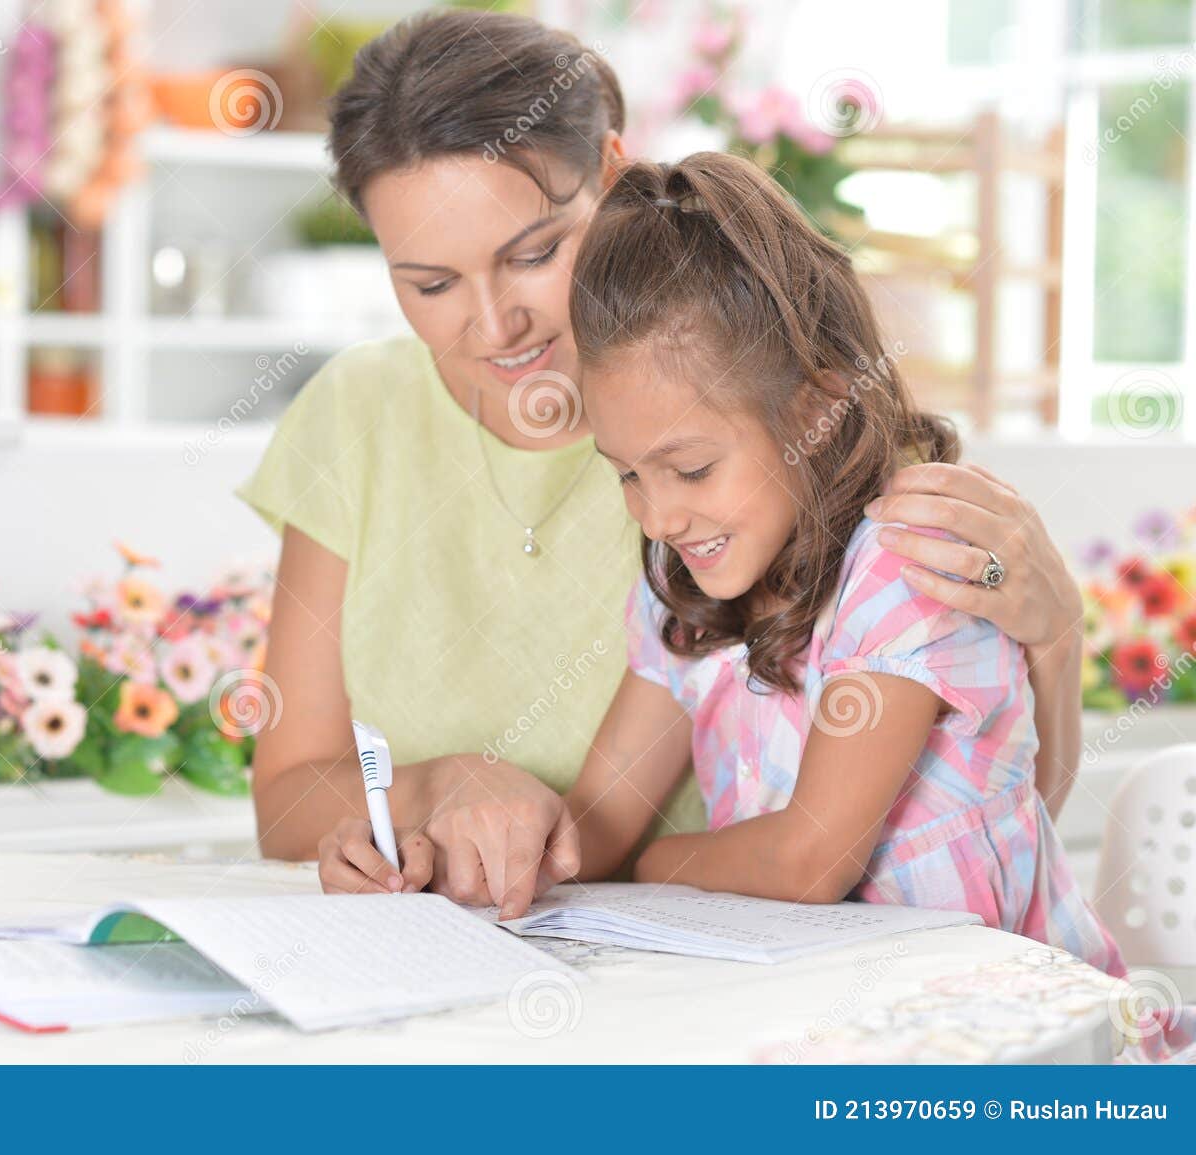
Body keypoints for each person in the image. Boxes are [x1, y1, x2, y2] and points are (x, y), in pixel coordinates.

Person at [237, 9, 1088, 920]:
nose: (493, 325)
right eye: (431, 283)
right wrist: (428, 818)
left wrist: (1059, 632)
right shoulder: (375, 420)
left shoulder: (792, 438)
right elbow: (302, 796)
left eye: (534, 254)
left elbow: (994, 808)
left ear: (613, 172)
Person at [560, 151, 1121, 974]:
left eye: (691, 468)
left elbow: (807, 860)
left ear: (815, 409)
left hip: (999, 1033)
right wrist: (479, 841)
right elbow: (601, 820)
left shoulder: (906, 564)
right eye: (627, 473)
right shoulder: (685, 590)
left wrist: (657, 865)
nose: (658, 513)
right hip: (830, 1020)